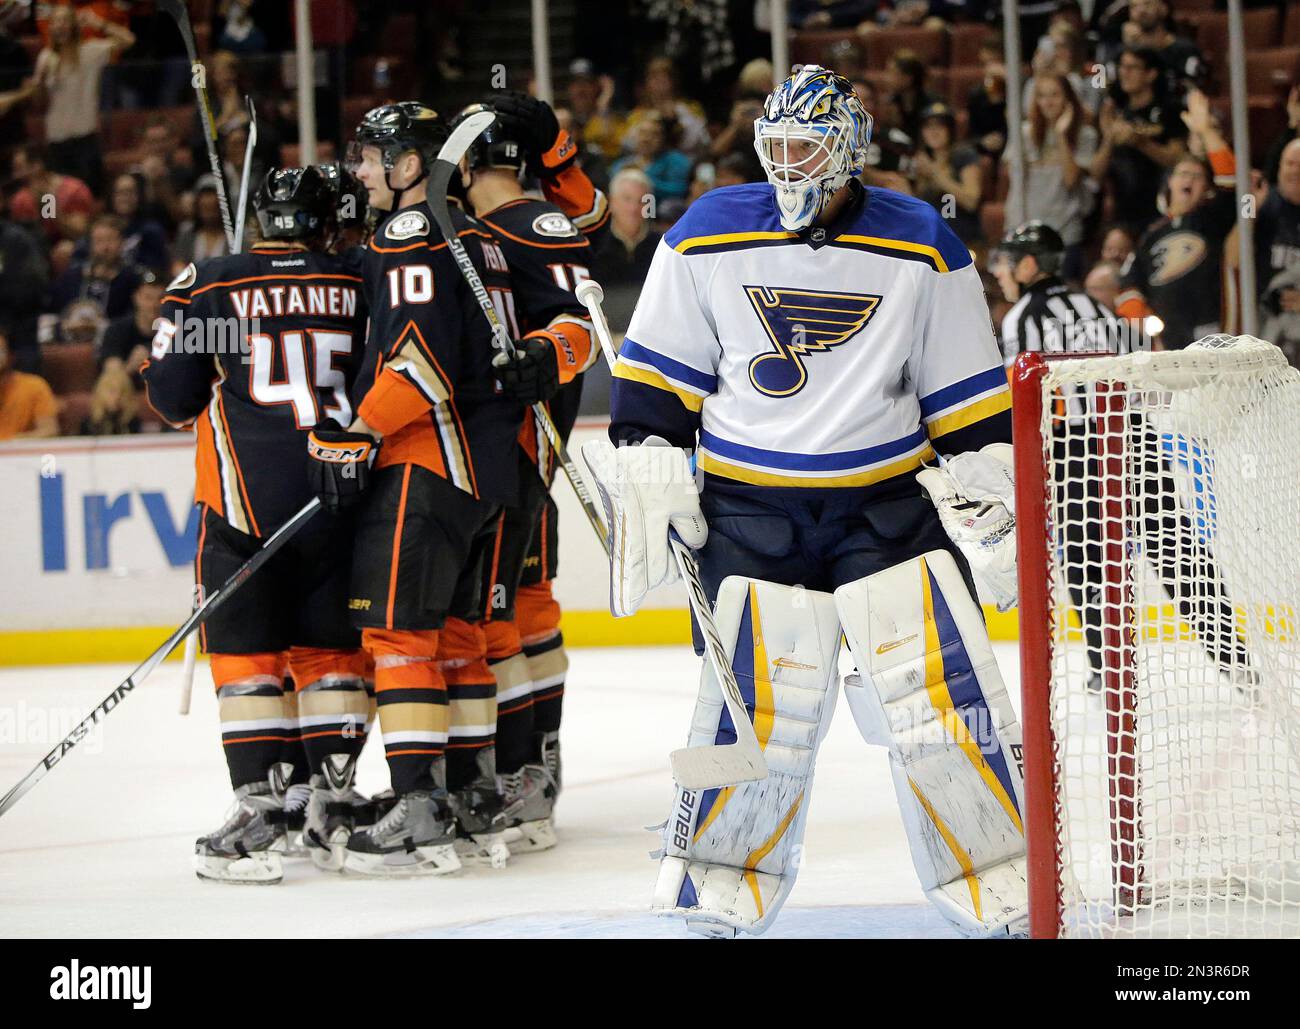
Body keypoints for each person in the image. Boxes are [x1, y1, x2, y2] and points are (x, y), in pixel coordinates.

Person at [585, 66, 1026, 939]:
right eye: (775, 147)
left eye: (807, 147)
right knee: (748, 703)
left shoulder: (923, 241)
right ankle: (714, 881)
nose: (788, 166)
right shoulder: (707, 230)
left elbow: (967, 398)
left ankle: (1001, 876)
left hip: (885, 506)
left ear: (850, 149)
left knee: (938, 697)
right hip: (750, 510)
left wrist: (991, 491)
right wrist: (647, 454)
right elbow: (658, 383)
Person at [309, 102, 532, 875]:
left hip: (426, 460)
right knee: (460, 641)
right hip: (486, 474)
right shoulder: (478, 241)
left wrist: (357, 430)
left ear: (410, 168)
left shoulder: (410, 237)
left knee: (400, 640)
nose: (360, 171)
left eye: (372, 158)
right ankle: (470, 798)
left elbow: (418, 363)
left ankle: (416, 809)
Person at [141, 166, 372, 884]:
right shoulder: (361, 281)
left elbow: (174, 397)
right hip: (342, 495)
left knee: (247, 658)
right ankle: (329, 805)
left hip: (247, 503)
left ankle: (261, 818)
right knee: (331, 648)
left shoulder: (211, 282)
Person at [995, 220, 1254, 695]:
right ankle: (1234, 659)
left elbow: (1022, 398)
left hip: (1073, 447)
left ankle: (1105, 669)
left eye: (1009, 262)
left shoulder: (1021, 318)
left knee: (1084, 558)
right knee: (1175, 546)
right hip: (1133, 435)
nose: (1003, 272)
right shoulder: (1096, 306)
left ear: (1029, 265)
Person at [444, 91, 604, 855]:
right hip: (531, 446)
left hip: (507, 449)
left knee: (497, 611)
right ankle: (536, 762)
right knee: (529, 603)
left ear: (470, 164)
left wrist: (548, 356)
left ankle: (518, 772)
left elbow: (574, 326)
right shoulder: (538, 219)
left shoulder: (513, 228)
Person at [1115, 90, 1237, 350]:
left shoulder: (1213, 218)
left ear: (1206, 188)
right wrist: (1143, 321)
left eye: (1196, 176)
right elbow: (1128, 286)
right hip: (1166, 337)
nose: (1189, 179)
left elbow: (1231, 180)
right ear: (1169, 182)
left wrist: (1206, 131)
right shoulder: (1152, 233)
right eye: (1183, 174)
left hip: (1213, 331)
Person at [31, 4, 135, 193]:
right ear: (51, 26)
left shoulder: (91, 51)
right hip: (57, 142)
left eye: (65, 20)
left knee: (90, 196)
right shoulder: (45, 57)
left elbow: (128, 40)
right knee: (61, 200)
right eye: (56, 21)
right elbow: (39, 103)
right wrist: (38, 85)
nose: (60, 25)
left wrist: (99, 23)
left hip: (85, 139)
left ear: (74, 24)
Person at [1007, 73, 1097, 282]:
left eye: (1055, 95)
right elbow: (1015, 182)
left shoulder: (1085, 135)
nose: (1048, 102)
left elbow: (1071, 180)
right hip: (1025, 229)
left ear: (1068, 98)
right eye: (1041, 96)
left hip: (1064, 231)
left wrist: (1060, 135)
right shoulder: (1024, 134)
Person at [1091, 46, 1187, 235]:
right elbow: (1095, 174)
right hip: (1121, 208)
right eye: (1122, 67)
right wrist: (1109, 136)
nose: (1124, 73)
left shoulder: (1169, 110)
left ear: (1150, 74)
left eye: (1132, 67)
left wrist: (1140, 142)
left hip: (1157, 204)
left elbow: (1177, 158)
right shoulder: (1114, 110)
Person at [911, 101, 983, 245]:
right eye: (928, 126)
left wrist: (934, 174)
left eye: (940, 126)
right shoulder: (920, 161)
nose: (934, 131)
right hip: (929, 239)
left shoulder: (964, 156)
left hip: (962, 237)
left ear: (950, 130)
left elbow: (971, 201)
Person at [48, 214, 141, 322]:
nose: (105, 247)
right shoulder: (70, 278)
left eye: (110, 240)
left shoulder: (132, 281)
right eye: (99, 241)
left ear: (122, 243)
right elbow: (51, 315)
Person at [593, 167, 662, 290]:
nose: (633, 208)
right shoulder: (594, 245)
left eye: (642, 201)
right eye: (627, 199)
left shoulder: (662, 246)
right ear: (611, 202)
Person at [99, 268, 165, 380]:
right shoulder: (116, 331)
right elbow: (112, 380)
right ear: (136, 298)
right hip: (127, 394)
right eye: (148, 298)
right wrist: (131, 366)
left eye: (160, 299)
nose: (154, 305)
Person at [0, 327, 58, 440]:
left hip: (19, 453)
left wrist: (15, 442)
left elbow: (49, 430)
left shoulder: (34, 386)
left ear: (12, 356)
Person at [80, 363, 140, 436]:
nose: (117, 396)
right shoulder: (88, 424)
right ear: (101, 392)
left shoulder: (134, 423)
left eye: (123, 392)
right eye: (112, 391)